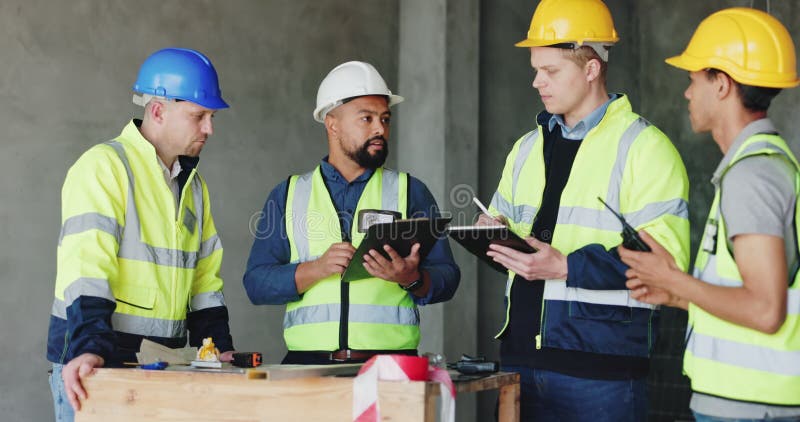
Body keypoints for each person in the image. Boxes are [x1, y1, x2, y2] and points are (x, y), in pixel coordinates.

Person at [478, 0, 690, 420]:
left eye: (551, 71)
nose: (537, 82)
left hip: (603, 372)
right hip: (519, 363)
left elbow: (665, 261)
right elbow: (518, 257)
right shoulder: (525, 148)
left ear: (591, 69)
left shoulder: (644, 149)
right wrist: (491, 235)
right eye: (535, 69)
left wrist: (566, 266)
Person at [620, 8, 800, 421]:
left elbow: (765, 310)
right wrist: (678, 295)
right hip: (749, 404)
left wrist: (675, 280)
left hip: (752, 407)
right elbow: (749, 298)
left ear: (721, 84)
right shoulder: (759, 166)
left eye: (693, 79)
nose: (687, 93)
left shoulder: (752, 176)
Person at [46, 48, 235, 421]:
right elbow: (86, 271)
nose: (209, 129)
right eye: (199, 116)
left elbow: (205, 282)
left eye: (211, 118)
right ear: (159, 111)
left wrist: (217, 348)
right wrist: (88, 348)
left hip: (162, 368)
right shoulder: (104, 167)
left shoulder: (193, 187)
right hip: (98, 366)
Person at [243, 61, 460, 364]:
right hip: (308, 368)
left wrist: (412, 278)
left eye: (385, 119)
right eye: (366, 118)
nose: (380, 129)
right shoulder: (288, 195)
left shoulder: (411, 191)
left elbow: (448, 276)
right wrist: (316, 269)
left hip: (390, 367)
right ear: (332, 124)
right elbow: (256, 284)